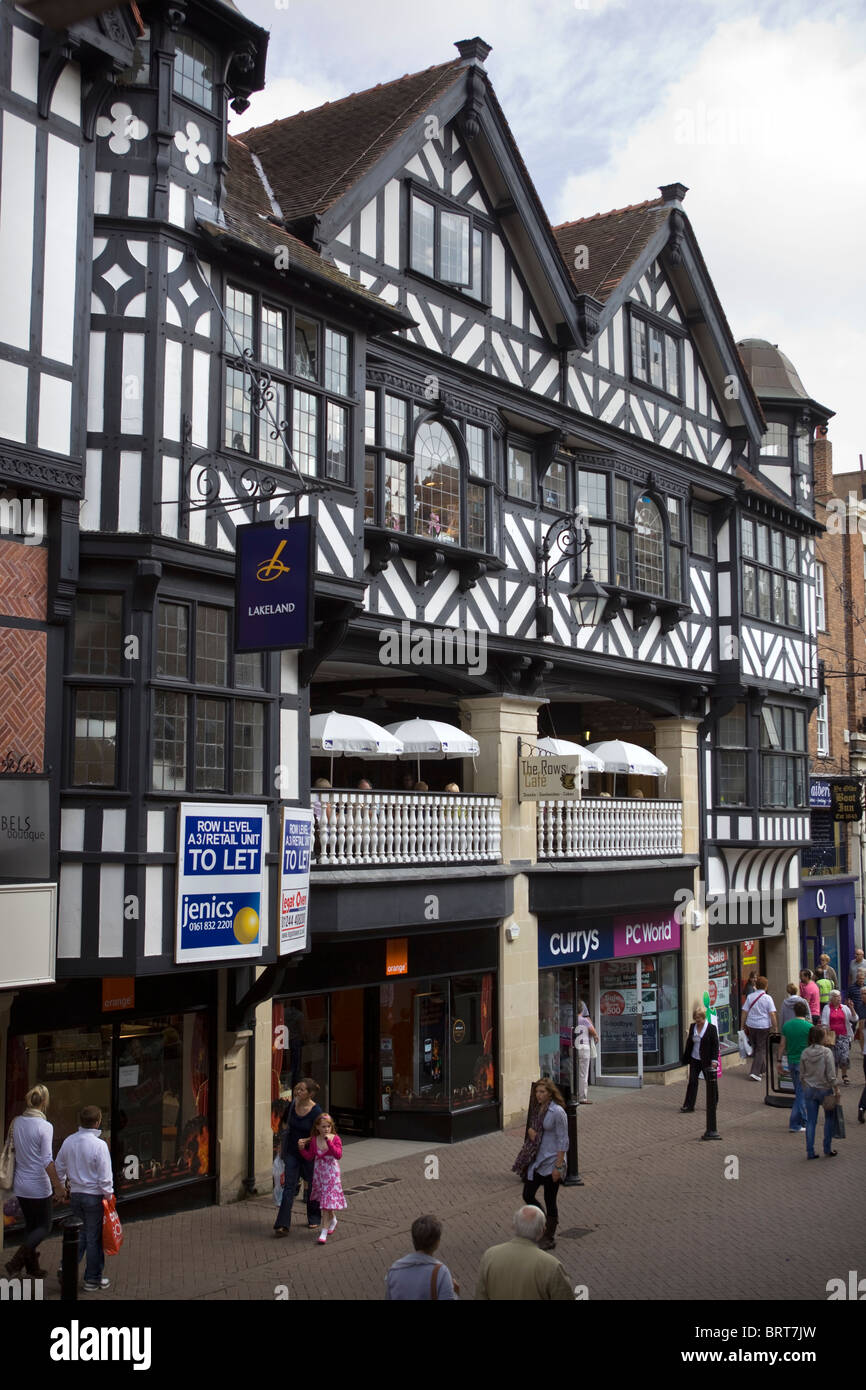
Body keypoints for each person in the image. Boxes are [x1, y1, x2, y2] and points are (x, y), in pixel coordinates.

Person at [4, 1083, 65, 1281]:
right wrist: (58, 1185)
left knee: (31, 1226)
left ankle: (32, 1267)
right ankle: (16, 1262)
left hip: (21, 1184)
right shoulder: (45, 1127)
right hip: (39, 1185)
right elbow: (47, 1159)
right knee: (44, 1227)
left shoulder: (18, 1122)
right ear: (45, 1102)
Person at [54, 1105, 114, 1292]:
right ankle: (92, 1279)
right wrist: (109, 1195)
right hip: (94, 1197)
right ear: (97, 1122)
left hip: (77, 1196)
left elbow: (59, 1167)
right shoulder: (100, 1145)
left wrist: (62, 1186)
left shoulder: (69, 1141)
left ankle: (66, 1267)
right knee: (93, 1238)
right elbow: (105, 1176)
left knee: (79, 1234)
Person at [475, 1205, 574, 1301]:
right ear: (542, 1231)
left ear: (513, 1226)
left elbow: (480, 1296)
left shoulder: (490, 1256)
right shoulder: (551, 1266)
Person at [521, 1079, 568, 1250]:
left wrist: (559, 1166)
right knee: (528, 1194)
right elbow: (536, 1129)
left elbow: (564, 1140)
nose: (538, 1095)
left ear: (549, 1093)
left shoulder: (557, 1112)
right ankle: (542, 1224)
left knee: (550, 1198)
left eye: (542, 1092)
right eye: (537, 1092)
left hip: (552, 1160)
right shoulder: (538, 1109)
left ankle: (549, 1236)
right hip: (538, 1159)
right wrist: (531, 1132)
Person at [273, 1078, 322, 1236]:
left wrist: (307, 1140)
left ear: (310, 1093)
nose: (298, 1092)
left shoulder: (316, 1111)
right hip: (292, 1152)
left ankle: (314, 1217)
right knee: (289, 1186)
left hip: (309, 1153)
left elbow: (322, 1133)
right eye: (297, 1089)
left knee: (312, 1185)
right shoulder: (292, 1105)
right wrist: (281, 1144)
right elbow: (284, 1124)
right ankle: (282, 1225)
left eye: (302, 1090)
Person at [385, 1214, 459, 1300]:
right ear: (437, 1243)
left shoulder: (395, 1270)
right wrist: (456, 1294)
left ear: (413, 1239)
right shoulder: (441, 1273)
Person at [300, 1112, 346, 1245]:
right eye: (324, 1126)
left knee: (326, 1203)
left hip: (331, 1174)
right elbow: (309, 1156)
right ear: (318, 1128)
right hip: (319, 1174)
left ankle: (324, 1231)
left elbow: (338, 1155)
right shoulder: (314, 1140)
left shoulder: (335, 1138)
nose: (326, 1129)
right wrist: (302, 1149)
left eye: (328, 1126)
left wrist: (329, 1142)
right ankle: (334, 1220)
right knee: (326, 1201)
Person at [799, 1024, 840, 1159]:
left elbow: (802, 1073)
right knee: (829, 1119)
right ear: (822, 1037)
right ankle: (827, 1148)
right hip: (825, 1089)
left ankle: (810, 1151)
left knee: (811, 1121)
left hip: (810, 1089)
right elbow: (831, 1074)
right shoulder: (826, 1052)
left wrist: (805, 1085)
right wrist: (836, 1088)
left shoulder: (805, 1052)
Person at [680, 1006, 721, 1139]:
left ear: (704, 1018)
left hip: (707, 1059)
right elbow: (689, 1042)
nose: (697, 1022)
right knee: (692, 1081)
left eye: (699, 1020)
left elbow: (715, 1044)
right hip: (694, 1058)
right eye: (696, 1020)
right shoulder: (693, 1027)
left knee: (711, 1082)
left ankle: (713, 1103)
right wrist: (686, 1057)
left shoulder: (711, 1028)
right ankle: (689, 1105)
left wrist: (714, 1060)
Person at [778, 999, 812, 1133]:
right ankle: (798, 1122)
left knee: (799, 1092)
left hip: (791, 1061)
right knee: (801, 1093)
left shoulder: (787, 1026)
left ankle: (801, 1120)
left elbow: (782, 1045)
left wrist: (779, 1061)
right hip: (805, 1063)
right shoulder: (809, 1027)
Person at [740, 976, 777, 1082]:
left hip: (751, 1025)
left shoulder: (750, 997)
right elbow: (772, 1014)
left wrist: (742, 1025)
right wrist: (775, 1027)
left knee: (756, 1047)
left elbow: (744, 1012)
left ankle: (762, 1068)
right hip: (763, 1026)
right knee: (761, 1049)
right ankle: (755, 1073)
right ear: (766, 986)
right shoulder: (768, 998)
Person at [821, 990, 857, 1085]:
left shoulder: (844, 1008)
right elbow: (824, 1023)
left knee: (844, 1057)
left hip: (844, 1036)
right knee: (833, 1058)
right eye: (836, 996)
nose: (839, 998)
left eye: (839, 996)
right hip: (832, 1036)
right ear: (831, 998)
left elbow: (855, 1018)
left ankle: (844, 1074)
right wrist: (825, 1037)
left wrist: (852, 1008)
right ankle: (834, 1077)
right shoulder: (827, 1008)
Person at [573, 1000, 598, 1104]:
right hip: (584, 1047)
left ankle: (573, 1093)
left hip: (574, 1047)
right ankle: (582, 1097)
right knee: (583, 1073)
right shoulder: (583, 1020)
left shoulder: (572, 1019)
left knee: (574, 1072)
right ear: (582, 1009)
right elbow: (593, 1032)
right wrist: (596, 1036)